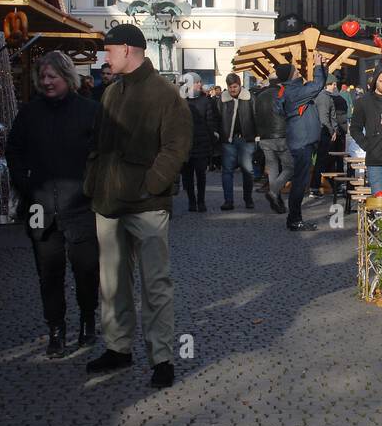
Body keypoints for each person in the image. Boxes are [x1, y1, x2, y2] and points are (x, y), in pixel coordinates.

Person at [82, 24, 191, 389]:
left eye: (109, 50)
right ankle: (118, 347)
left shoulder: (164, 94)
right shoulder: (111, 93)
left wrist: (151, 185)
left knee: (155, 282)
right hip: (108, 202)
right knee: (112, 282)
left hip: (146, 204)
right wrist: (94, 184)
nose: (105, 57)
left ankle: (162, 358)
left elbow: (176, 147)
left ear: (128, 50)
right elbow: (97, 142)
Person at [6, 51, 101, 356]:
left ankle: (88, 320)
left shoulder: (90, 111)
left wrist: (91, 185)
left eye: (52, 77)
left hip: (81, 206)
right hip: (39, 207)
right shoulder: (29, 114)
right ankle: (56, 329)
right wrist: (26, 183)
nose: (46, 82)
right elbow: (14, 152)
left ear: (67, 78)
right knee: (49, 272)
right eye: (42, 77)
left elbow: (102, 154)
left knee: (86, 270)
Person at [275, 54, 327, 230]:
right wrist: (318, 66)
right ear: (290, 76)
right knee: (300, 182)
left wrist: (322, 68)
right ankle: (294, 219)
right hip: (302, 141)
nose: (298, 71)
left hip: (301, 140)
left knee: (300, 180)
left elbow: (317, 86)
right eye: (295, 71)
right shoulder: (294, 92)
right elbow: (318, 85)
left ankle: (294, 218)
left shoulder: (290, 90)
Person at [349, 67, 382, 194]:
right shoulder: (363, 102)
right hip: (376, 161)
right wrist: (367, 146)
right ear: (375, 81)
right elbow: (354, 128)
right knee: (379, 203)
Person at [180, 72, 220, 212]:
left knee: (201, 175)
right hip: (186, 145)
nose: (200, 85)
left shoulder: (205, 101)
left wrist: (212, 139)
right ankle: (192, 201)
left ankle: (201, 201)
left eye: (199, 82)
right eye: (197, 82)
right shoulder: (181, 101)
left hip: (201, 144)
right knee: (188, 176)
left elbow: (210, 121)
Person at [253, 75, 292, 214]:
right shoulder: (283, 93)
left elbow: (255, 115)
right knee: (290, 167)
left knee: (273, 168)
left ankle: (277, 199)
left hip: (264, 137)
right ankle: (273, 191)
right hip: (281, 136)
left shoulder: (260, 95)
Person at [218, 72, 256, 211]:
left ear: (240, 85)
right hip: (228, 139)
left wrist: (256, 136)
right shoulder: (222, 100)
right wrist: (218, 134)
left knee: (248, 171)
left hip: (247, 139)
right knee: (227, 171)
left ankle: (248, 199)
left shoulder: (250, 98)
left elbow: (255, 115)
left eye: (235, 87)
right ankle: (228, 201)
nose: (232, 90)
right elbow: (217, 117)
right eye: (230, 87)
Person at [309, 76, 341, 198]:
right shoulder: (324, 98)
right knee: (321, 161)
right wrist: (332, 131)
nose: (335, 87)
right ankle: (315, 187)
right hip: (323, 133)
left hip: (319, 132)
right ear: (329, 84)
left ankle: (320, 186)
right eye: (334, 84)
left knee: (322, 161)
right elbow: (324, 118)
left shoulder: (321, 96)